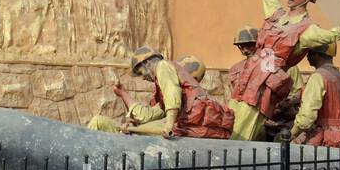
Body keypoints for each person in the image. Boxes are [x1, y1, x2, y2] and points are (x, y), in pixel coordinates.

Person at [227, 0, 340, 142]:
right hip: (246, 78)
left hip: (263, 85)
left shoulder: (306, 29)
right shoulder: (276, 16)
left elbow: (325, 36)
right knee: (230, 121)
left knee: (242, 130)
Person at [88, 46, 232, 139]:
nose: (143, 78)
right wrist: (123, 96)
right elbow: (148, 115)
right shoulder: (164, 88)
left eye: (141, 72)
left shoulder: (163, 66)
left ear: (147, 63)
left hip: (186, 127)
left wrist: (169, 124)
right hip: (181, 125)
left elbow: (172, 93)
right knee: (98, 122)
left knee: (135, 133)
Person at [291, 44, 340, 149]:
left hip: (326, 139)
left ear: (317, 54)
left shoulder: (318, 76)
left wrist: (291, 134)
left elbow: (306, 117)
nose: (307, 56)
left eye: (310, 52)